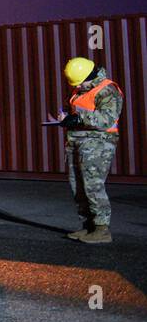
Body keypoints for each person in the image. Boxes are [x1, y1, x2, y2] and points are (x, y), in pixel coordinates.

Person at [59, 57, 123, 243]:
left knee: (93, 185)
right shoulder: (82, 89)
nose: (78, 86)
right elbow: (78, 110)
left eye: (81, 82)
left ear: (90, 75)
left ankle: (102, 229)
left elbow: (107, 119)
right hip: (77, 142)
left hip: (97, 145)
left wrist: (79, 119)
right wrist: (65, 116)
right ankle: (88, 227)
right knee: (77, 186)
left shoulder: (108, 90)